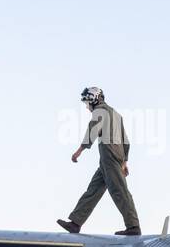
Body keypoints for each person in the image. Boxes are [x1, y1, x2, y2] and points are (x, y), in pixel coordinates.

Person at [57, 86, 141, 236]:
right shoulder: (116, 114)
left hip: (109, 153)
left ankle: (133, 226)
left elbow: (92, 129)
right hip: (114, 155)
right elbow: (125, 140)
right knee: (94, 190)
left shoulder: (100, 111)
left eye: (86, 102)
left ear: (92, 99)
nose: (87, 106)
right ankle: (75, 223)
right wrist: (124, 161)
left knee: (119, 190)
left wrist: (79, 151)